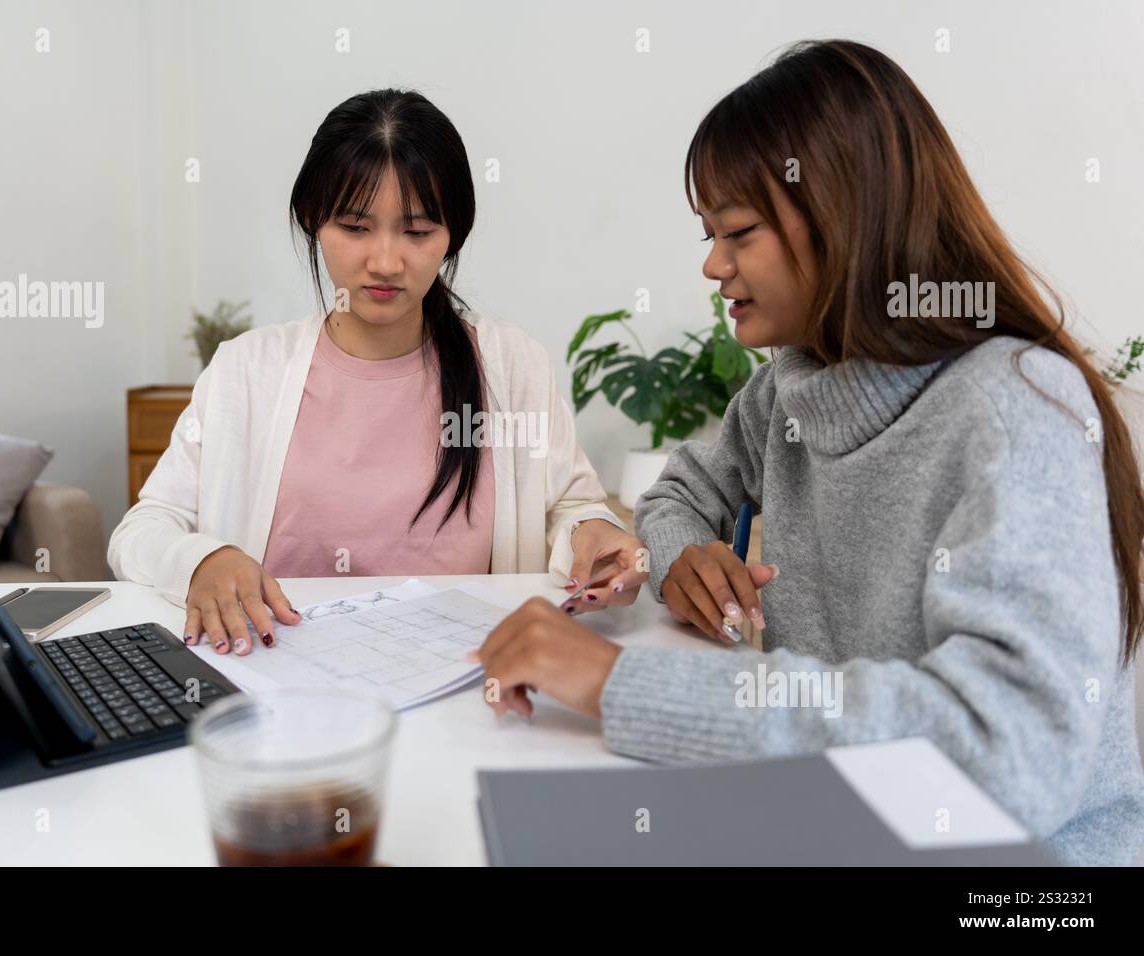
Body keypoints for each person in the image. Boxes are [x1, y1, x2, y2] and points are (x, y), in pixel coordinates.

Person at [470, 39, 1144, 865]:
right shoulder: (793, 386)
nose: (713, 266)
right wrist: (687, 556)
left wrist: (623, 686)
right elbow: (679, 490)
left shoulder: (1017, 411)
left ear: (846, 212)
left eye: (738, 232)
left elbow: (1011, 757)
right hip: (844, 826)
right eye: (709, 234)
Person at [109, 89, 646, 657]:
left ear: (452, 234)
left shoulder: (512, 366)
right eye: (356, 227)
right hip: (276, 685)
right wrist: (201, 562)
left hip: (467, 685)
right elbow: (141, 531)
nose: (387, 262)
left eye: (417, 232)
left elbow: (571, 509)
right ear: (313, 219)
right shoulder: (246, 371)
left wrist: (593, 535)